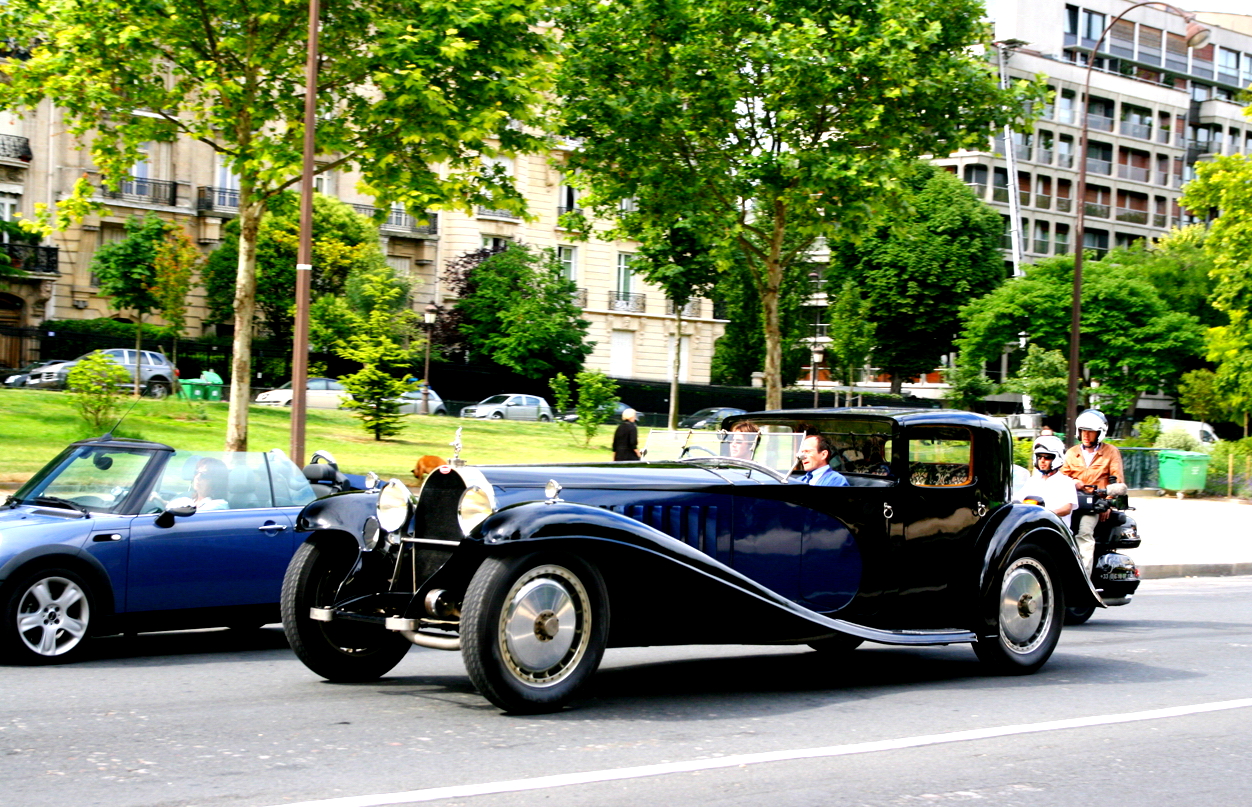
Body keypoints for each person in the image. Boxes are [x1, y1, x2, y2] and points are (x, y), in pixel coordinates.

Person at [1060, 409, 1127, 575]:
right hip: (1072, 501)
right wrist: (1074, 482)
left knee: (1084, 532)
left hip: (1095, 504)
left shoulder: (1111, 452)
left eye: (1090, 432)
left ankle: (1083, 581)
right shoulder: (1072, 453)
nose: (1086, 435)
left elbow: (1117, 480)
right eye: (1083, 431)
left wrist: (1108, 504)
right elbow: (1060, 478)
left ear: (1099, 433)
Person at [1020, 435, 1078, 518]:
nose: (1042, 461)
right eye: (1039, 457)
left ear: (1057, 458)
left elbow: (1067, 509)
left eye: (1047, 457)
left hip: (1055, 528)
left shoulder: (1066, 482)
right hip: (1034, 526)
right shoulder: (1032, 481)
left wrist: (1046, 514)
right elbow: (1018, 500)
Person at [166, 457, 231, 511]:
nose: (197, 477)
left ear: (216, 481)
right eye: (196, 472)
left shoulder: (219, 505)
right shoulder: (190, 499)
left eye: (204, 475)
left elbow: (191, 517)